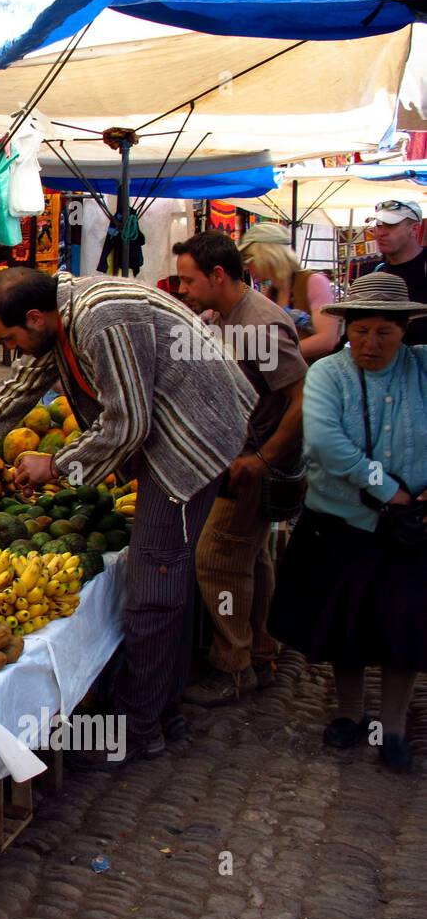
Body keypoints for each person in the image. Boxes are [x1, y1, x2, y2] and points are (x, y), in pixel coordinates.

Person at [0, 268, 257, 759]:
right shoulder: (58, 317)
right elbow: (23, 385)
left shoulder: (101, 319)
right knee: (166, 571)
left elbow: (127, 423)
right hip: (164, 429)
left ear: (34, 317)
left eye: (9, 338)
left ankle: (140, 727)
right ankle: (161, 708)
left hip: (191, 435)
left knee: (156, 577)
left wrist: (55, 464)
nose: (9, 349)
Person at [269, 273, 427, 771]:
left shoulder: (422, 371)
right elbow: (326, 444)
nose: (370, 343)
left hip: (412, 527)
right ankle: (350, 714)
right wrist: (388, 488)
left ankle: (394, 728)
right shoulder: (327, 375)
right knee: (345, 625)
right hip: (340, 521)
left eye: (385, 332)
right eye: (361, 331)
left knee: (404, 628)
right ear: (347, 328)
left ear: (405, 330)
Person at [172, 231, 308, 704]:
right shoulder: (222, 316)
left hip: (256, 467)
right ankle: (262, 648)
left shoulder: (262, 326)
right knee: (252, 556)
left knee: (215, 558)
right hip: (234, 460)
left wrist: (262, 458)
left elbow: (301, 401)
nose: (183, 290)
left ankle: (233, 666)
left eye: (189, 281)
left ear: (218, 275)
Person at [238, 223, 341, 362]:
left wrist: (278, 354)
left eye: (248, 259)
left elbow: (327, 340)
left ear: (266, 255)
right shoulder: (271, 292)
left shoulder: (313, 282)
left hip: (315, 377)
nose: (246, 267)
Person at [369, 199, 425, 346]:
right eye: (378, 225)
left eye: (390, 225)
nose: (381, 233)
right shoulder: (378, 273)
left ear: (414, 229)